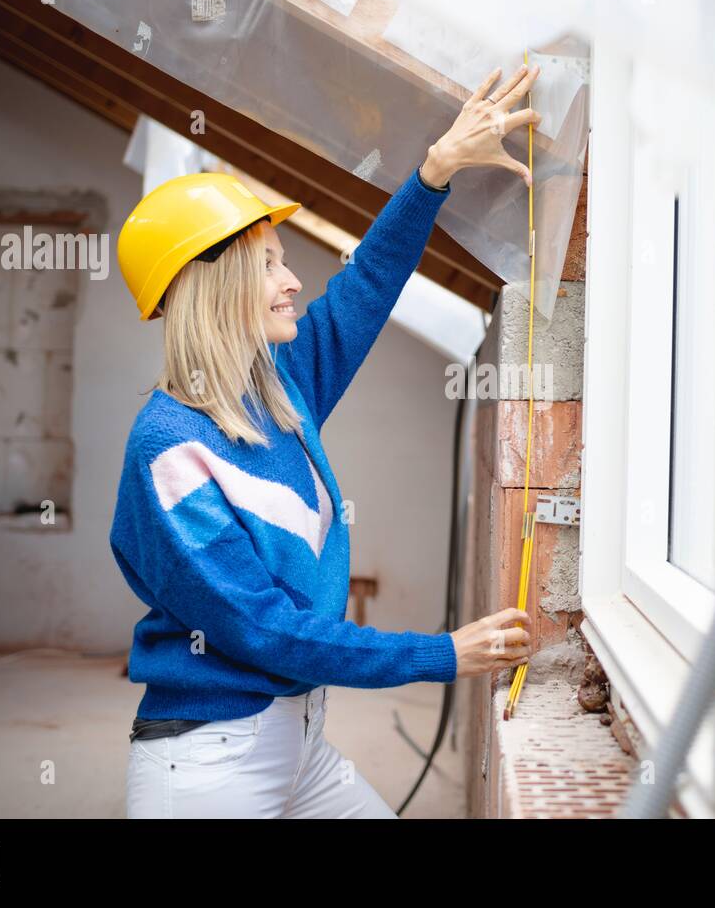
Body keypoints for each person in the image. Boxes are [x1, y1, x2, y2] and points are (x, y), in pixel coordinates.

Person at [111, 64, 542, 818]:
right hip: (211, 762)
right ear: (213, 286)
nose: (292, 282)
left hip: (299, 740)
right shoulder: (169, 451)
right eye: (268, 264)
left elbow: (365, 284)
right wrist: (440, 655)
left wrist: (435, 171)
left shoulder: (279, 386)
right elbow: (263, 631)